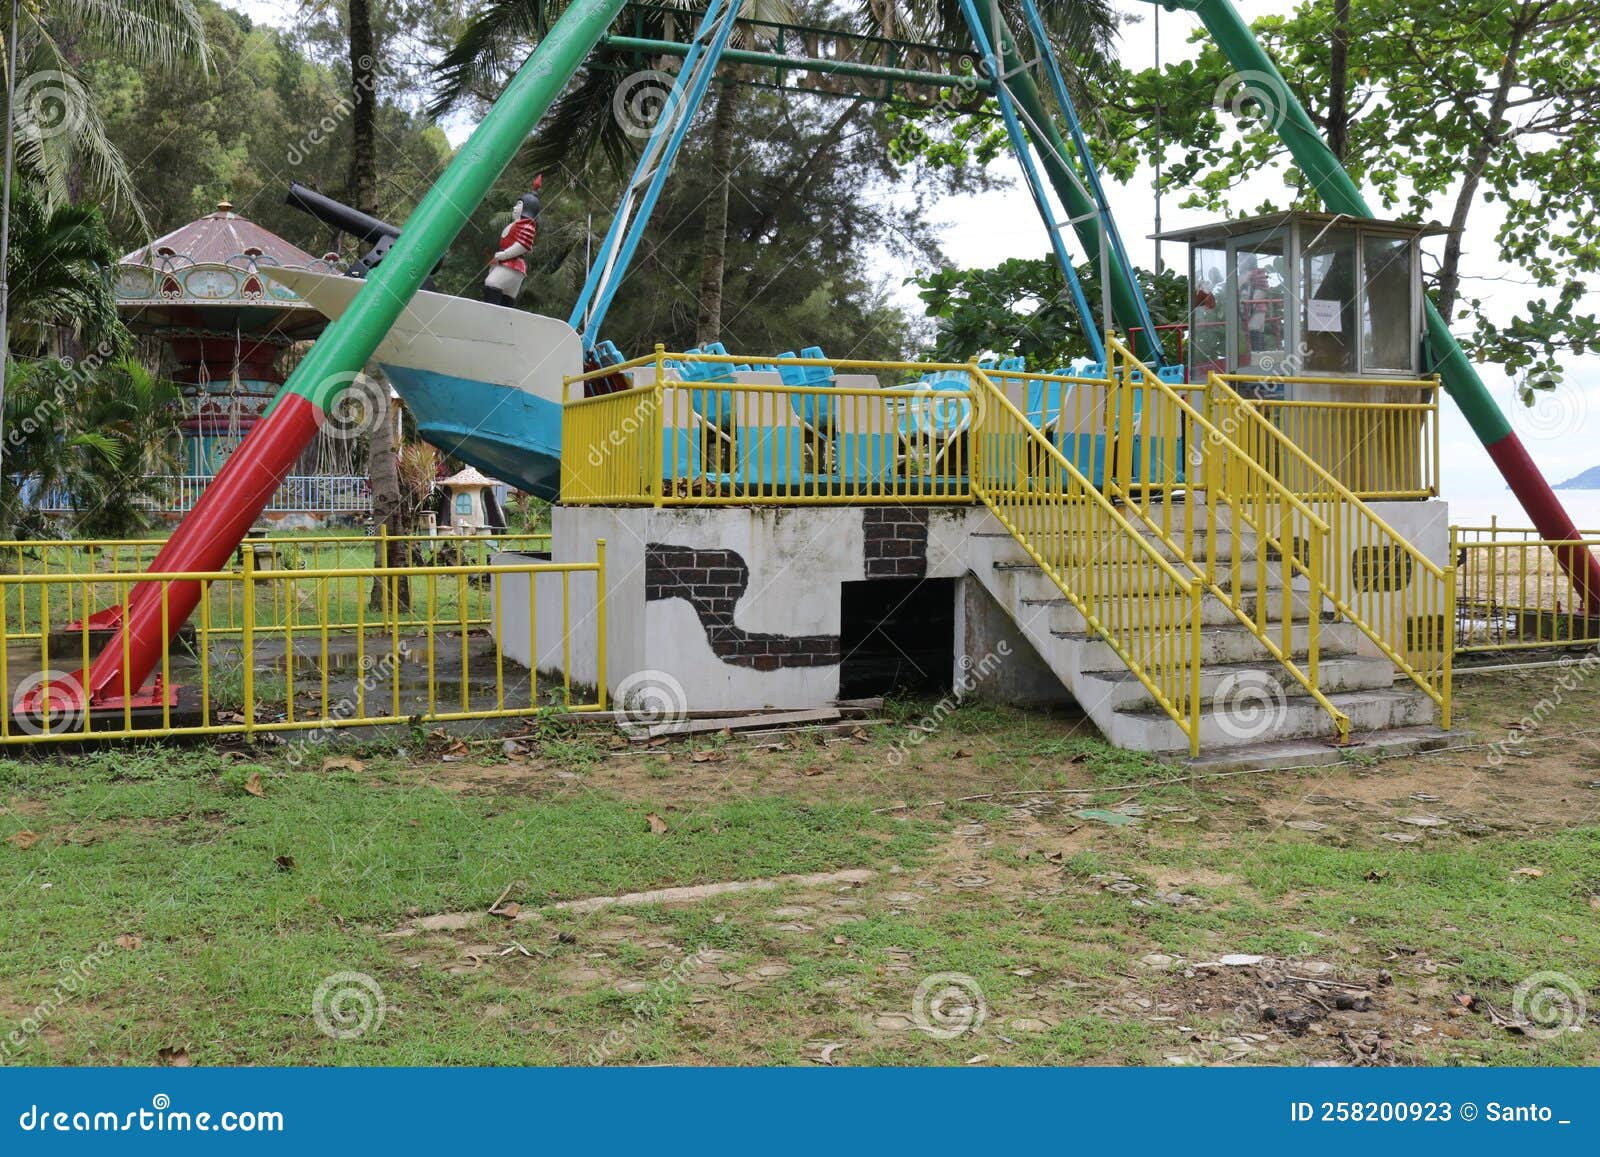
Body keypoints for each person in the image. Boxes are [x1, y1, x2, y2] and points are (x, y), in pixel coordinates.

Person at [482, 176, 542, 307]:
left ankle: (489, 314)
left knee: (492, 283)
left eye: (519, 205)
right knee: (506, 297)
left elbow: (523, 245)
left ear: (527, 208)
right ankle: (499, 319)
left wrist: (505, 254)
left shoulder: (526, 225)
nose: (514, 208)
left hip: (512, 264)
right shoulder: (516, 224)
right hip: (506, 263)